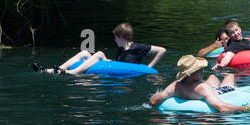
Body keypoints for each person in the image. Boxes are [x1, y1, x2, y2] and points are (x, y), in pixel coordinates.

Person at [37, 22, 167, 74]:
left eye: (116, 37)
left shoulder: (138, 47)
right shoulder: (122, 48)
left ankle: (72, 73)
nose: (114, 39)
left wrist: (149, 67)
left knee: (99, 53)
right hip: (116, 64)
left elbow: (162, 50)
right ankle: (53, 70)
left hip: (127, 71)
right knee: (84, 52)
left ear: (122, 37)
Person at [148, 55, 250, 114]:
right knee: (230, 76)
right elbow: (222, 108)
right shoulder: (203, 88)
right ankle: (235, 88)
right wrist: (245, 108)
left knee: (212, 77)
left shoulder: (175, 86)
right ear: (191, 74)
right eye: (199, 70)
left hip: (199, 91)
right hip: (219, 92)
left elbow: (153, 101)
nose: (202, 71)